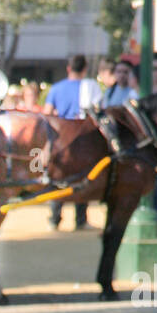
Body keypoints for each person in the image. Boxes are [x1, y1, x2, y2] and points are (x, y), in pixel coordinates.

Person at [43, 54, 102, 230]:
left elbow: (47, 113)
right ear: (84, 69)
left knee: (58, 178)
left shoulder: (56, 89)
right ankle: (81, 219)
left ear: (69, 68)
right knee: (82, 178)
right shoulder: (91, 87)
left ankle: (55, 218)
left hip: (61, 139)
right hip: (83, 139)